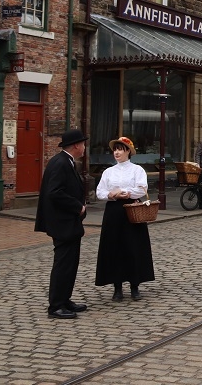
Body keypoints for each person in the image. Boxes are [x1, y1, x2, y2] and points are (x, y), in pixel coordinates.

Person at [34, 129, 89, 319]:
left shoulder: (67, 161)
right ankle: (56, 305)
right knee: (63, 264)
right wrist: (77, 207)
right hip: (62, 223)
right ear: (76, 145)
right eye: (83, 144)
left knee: (70, 263)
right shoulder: (61, 163)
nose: (84, 147)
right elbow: (54, 192)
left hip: (69, 223)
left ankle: (65, 299)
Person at [94, 137, 155, 302]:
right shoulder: (108, 172)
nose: (117, 152)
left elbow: (142, 188)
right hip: (114, 212)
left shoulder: (137, 170)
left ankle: (135, 285)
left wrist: (128, 193)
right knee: (115, 248)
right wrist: (111, 194)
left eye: (120, 149)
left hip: (132, 210)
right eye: (115, 149)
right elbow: (99, 192)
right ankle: (117, 287)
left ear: (128, 151)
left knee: (133, 246)